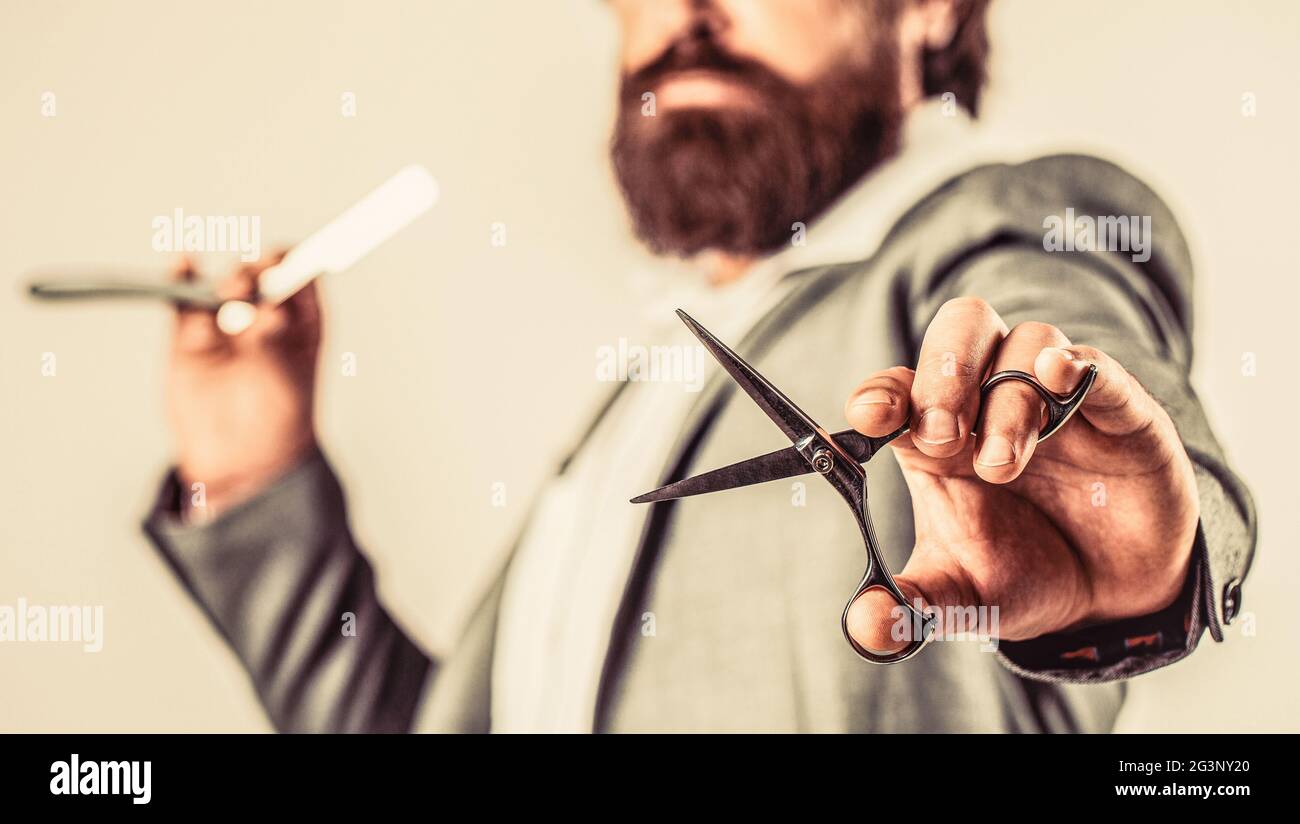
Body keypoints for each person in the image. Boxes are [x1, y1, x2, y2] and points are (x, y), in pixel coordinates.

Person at [145, 0, 1256, 732]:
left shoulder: (996, 227)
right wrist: (256, 472)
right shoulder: (644, 401)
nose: (688, 14)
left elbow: (1084, 357)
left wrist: (1143, 547)